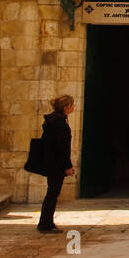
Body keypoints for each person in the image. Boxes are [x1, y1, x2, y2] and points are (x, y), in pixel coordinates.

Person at [37, 94, 75, 234]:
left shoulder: (54, 121)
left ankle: (46, 222)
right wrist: (67, 166)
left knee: (52, 192)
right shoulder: (59, 123)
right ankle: (45, 224)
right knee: (53, 193)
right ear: (65, 107)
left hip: (51, 162)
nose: (73, 107)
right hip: (56, 164)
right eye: (72, 105)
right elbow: (62, 147)